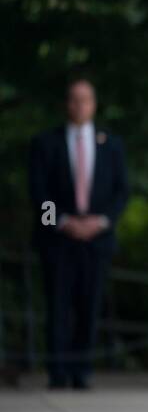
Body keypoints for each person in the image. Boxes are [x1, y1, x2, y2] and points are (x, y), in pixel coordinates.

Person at [27, 77, 128, 389]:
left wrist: (99, 223)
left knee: (89, 304)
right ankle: (58, 372)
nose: (80, 106)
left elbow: (121, 191)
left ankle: (82, 372)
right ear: (66, 103)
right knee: (58, 305)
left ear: (94, 104)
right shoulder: (47, 142)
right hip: (59, 239)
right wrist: (63, 221)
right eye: (74, 99)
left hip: (97, 241)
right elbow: (38, 190)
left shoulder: (110, 144)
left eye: (86, 99)